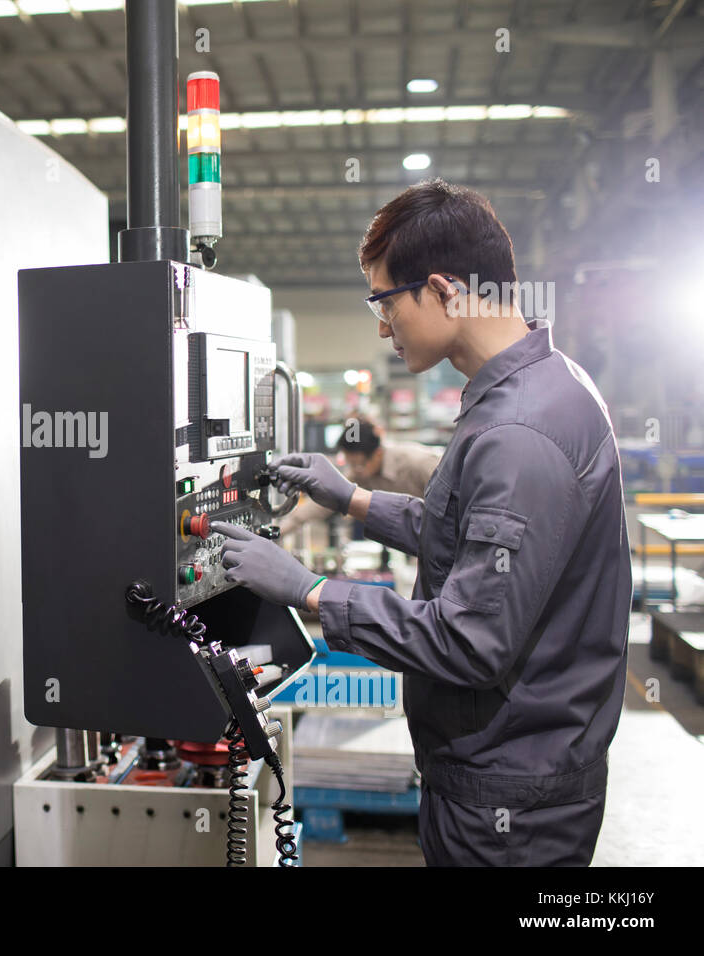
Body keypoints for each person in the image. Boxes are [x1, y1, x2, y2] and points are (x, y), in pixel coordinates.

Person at [214, 179, 631, 867]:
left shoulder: (519, 432)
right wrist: (353, 498)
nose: (382, 325)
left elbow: (472, 640)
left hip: (508, 801)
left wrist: (310, 590)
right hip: (520, 770)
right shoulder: (544, 385)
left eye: (384, 301)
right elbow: (485, 543)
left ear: (441, 291)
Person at [274, 419, 441, 541]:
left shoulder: (419, 463)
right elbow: (320, 506)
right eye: (351, 464)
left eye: (359, 464)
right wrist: (278, 532)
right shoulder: (360, 472)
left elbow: (450, 512)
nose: (355, 470)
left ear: (378, 453)